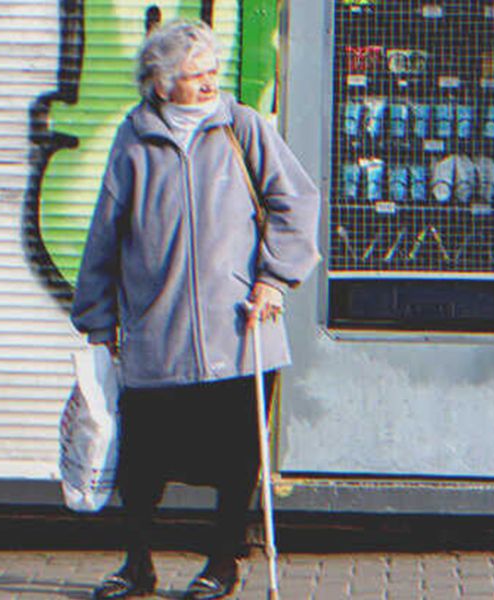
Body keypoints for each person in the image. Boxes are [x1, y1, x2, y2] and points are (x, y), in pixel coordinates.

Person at [70, 19, 321, 600]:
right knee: (141, 465)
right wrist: (97, 317)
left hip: (239, 330)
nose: (209, 83)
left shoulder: (241, 127)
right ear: (160, 85)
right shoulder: (133, 139)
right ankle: (137, 567)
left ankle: (222, 566)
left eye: (212, 71)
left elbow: (296, 201)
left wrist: (274, 279)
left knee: (236, 460)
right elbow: (105, 231)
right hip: (155, 335)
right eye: (194, 75)